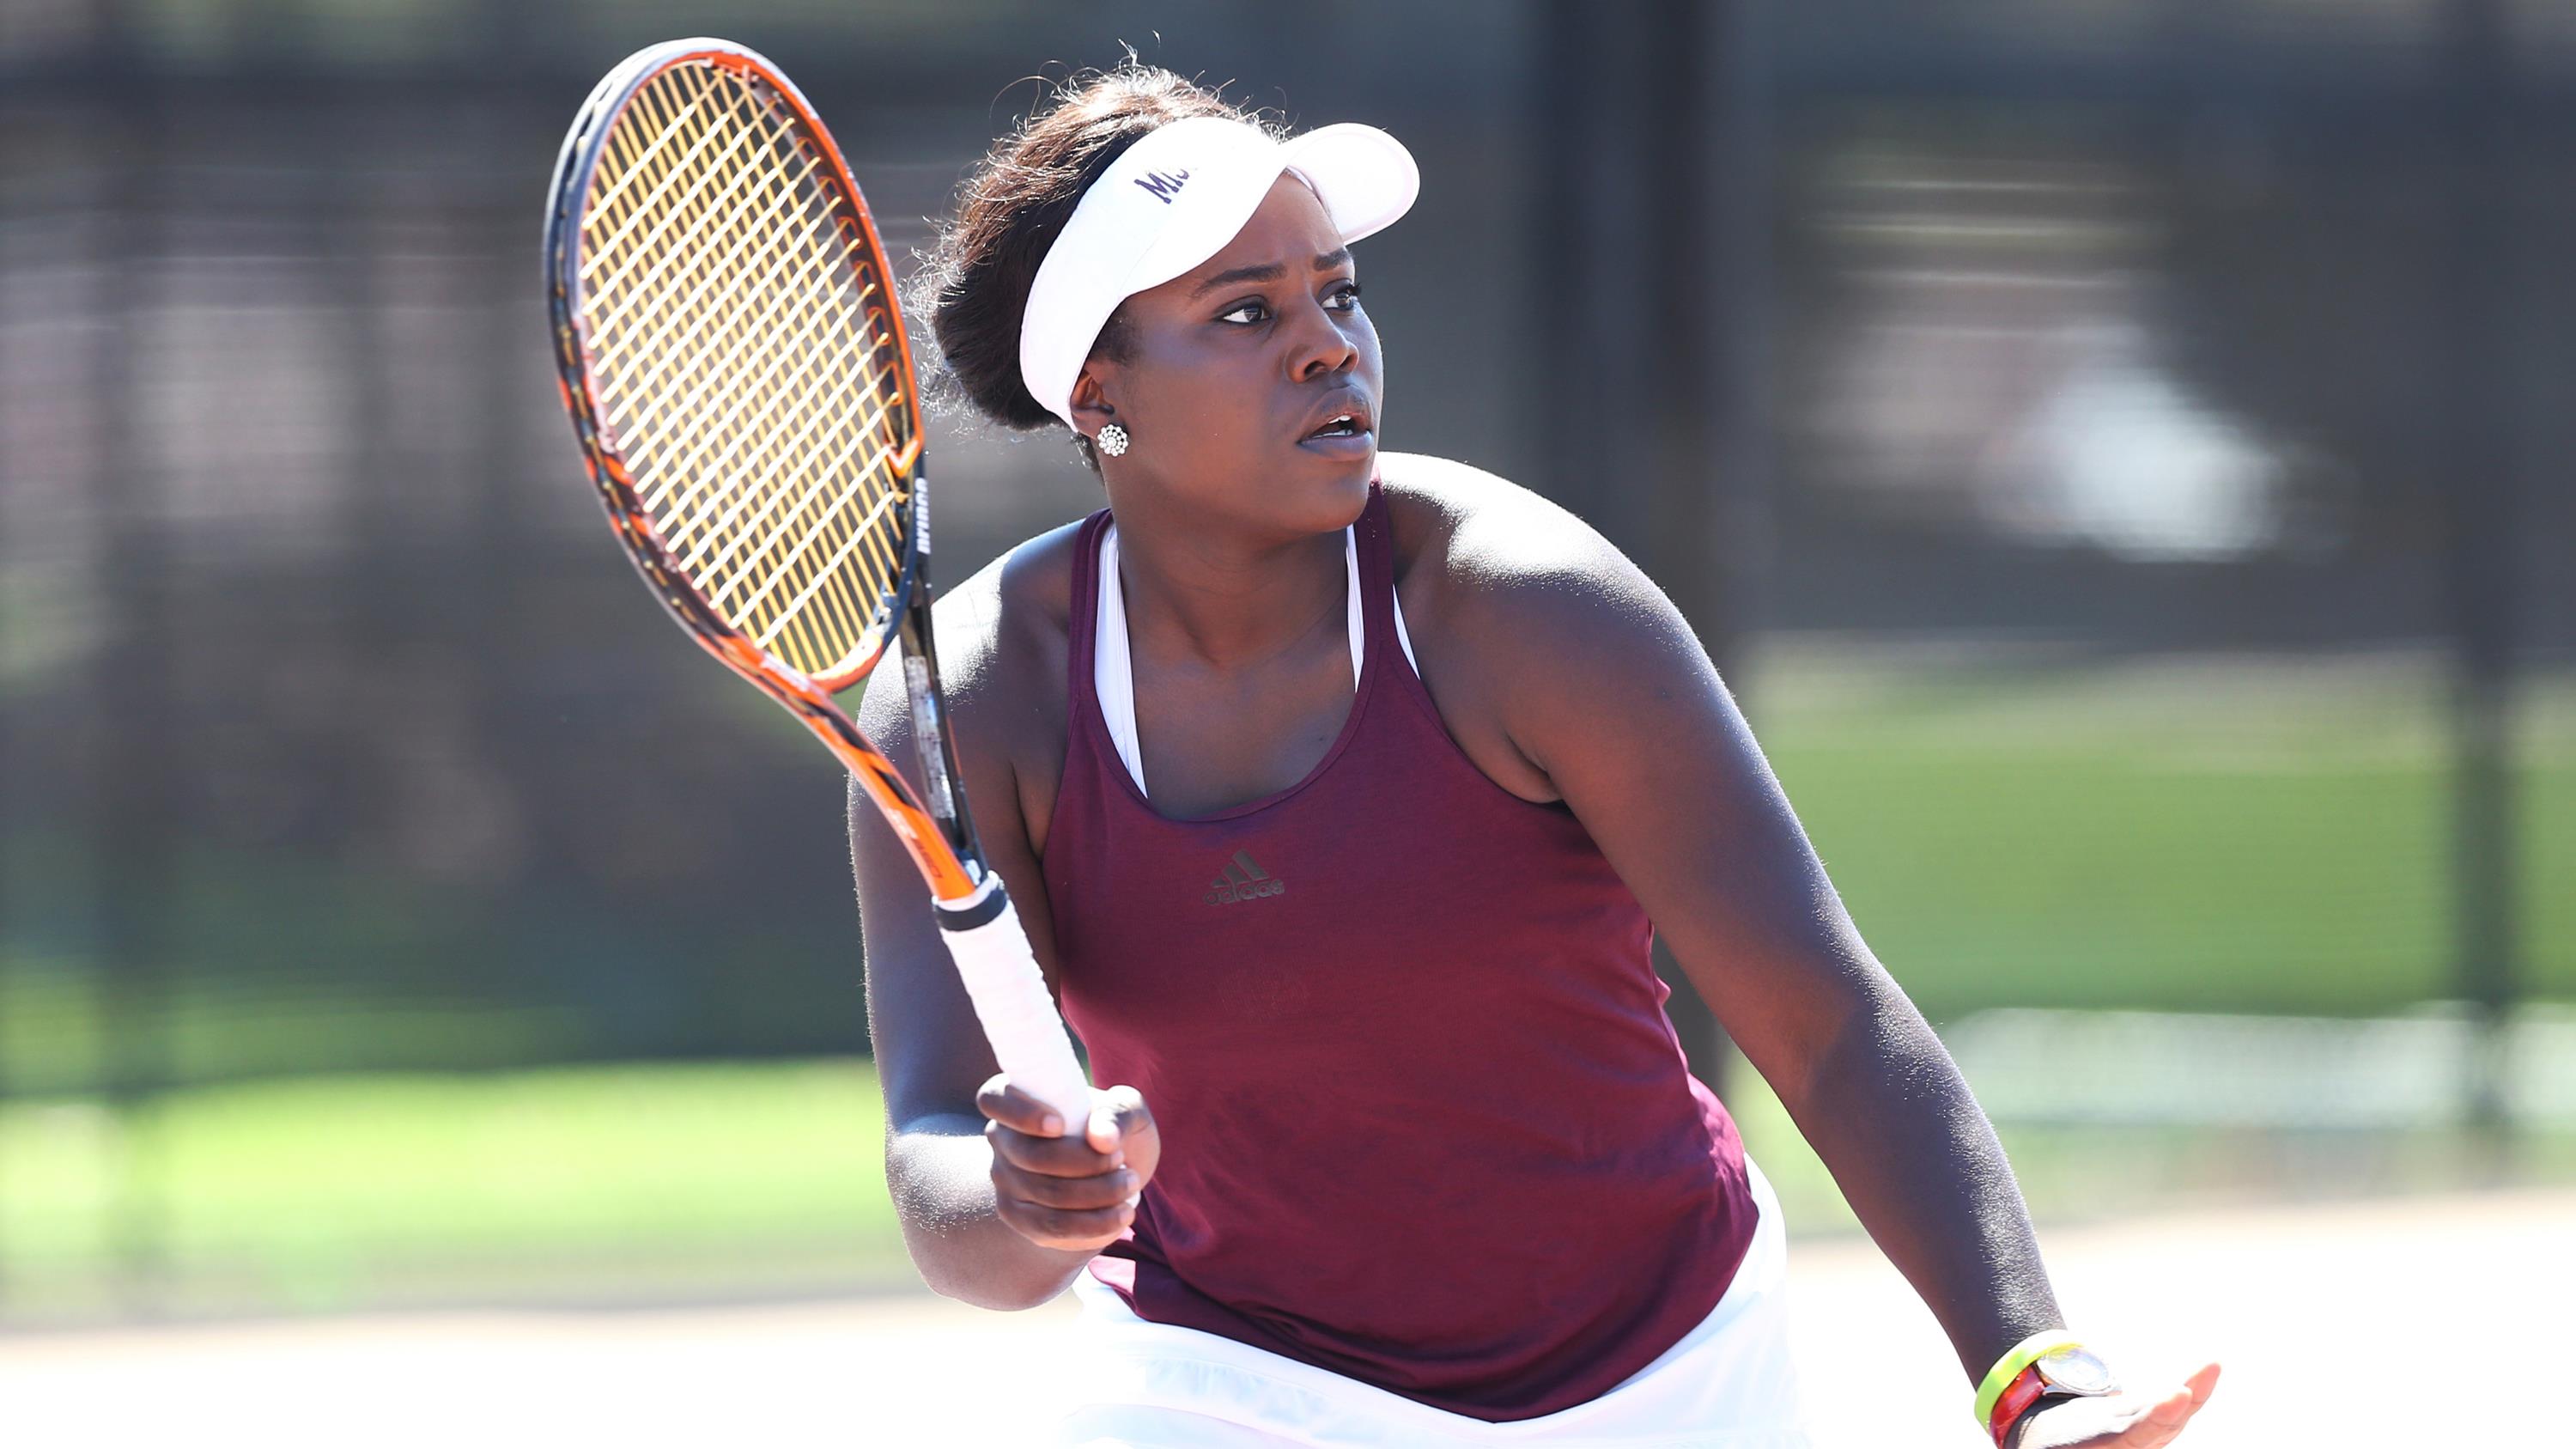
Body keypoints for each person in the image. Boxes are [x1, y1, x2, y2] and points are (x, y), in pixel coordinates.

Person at [850, 60, 2223, 1448]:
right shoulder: (967, 704)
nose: (1329, 345)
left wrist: (2031, 1369)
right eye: (1247, 313)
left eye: (1339, 291)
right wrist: (1027, 1204)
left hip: (1667, 1364)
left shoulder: (1524, 605)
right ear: (1095, 392)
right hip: (1235, 1376)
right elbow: (940, 1168)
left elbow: (1824, 1021)